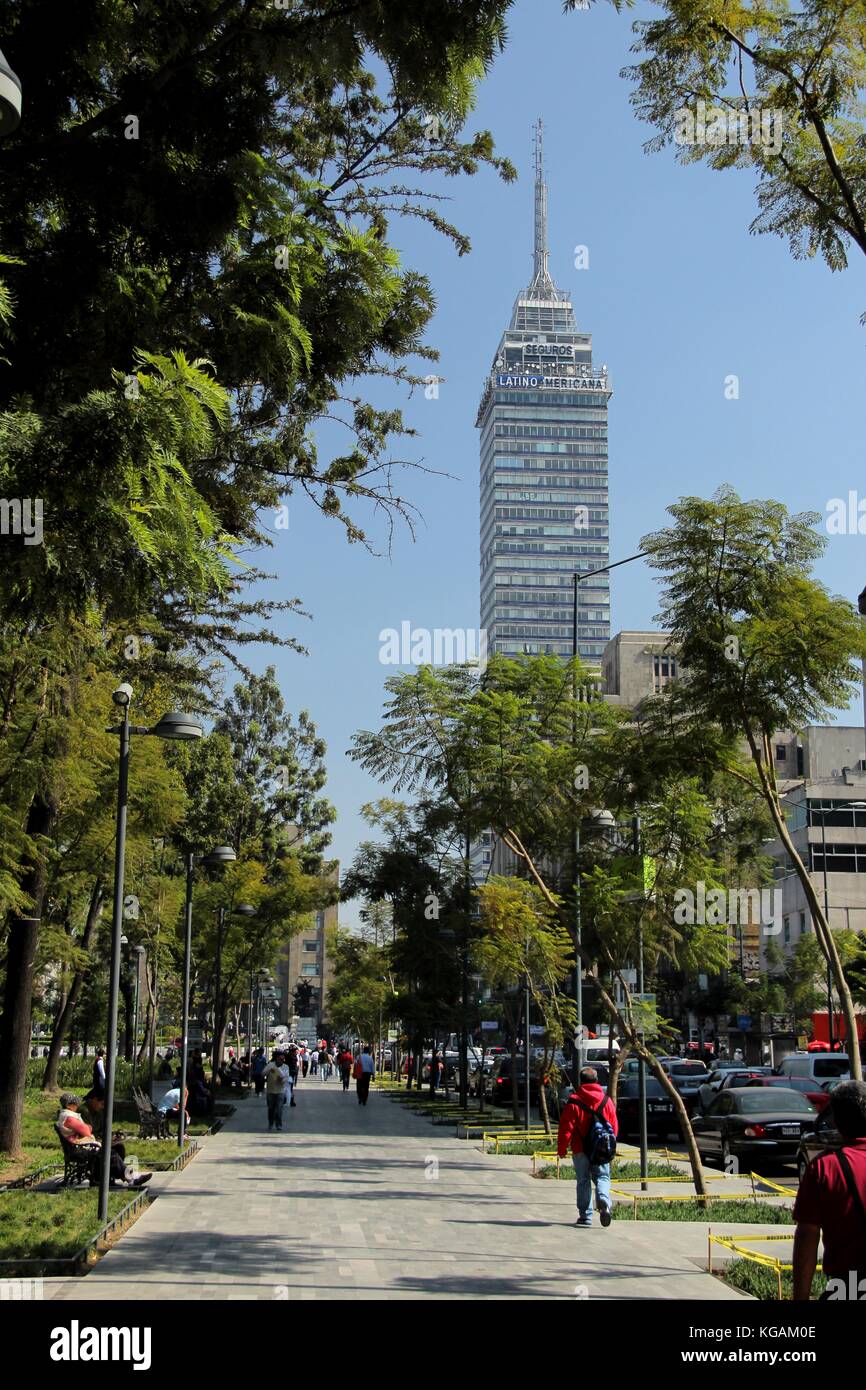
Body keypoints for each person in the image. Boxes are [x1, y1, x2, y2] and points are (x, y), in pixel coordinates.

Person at [793, 1080, 866, 1300]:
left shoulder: (825, 1168)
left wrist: (800, 1297)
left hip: (849, 1289)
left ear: (835, 1120)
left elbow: (807, 1235)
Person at [557, 1066, 618, 1228]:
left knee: (583, 1180)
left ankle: (585, 1215)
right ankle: (604, 1199)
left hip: (580, 1148)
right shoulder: (607, 1101)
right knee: (603, 1177)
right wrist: (611, 1146)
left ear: (581, 1081)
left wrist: (562, 1148)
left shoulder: (574, 1101)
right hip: (601, 1148)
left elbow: (566, 1127)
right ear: (597, 1081)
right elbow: (614, 1126)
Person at [57, 1093, 152, 1188]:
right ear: (69, 1105)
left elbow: (87, 1130)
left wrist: (87, 1128)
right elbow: (87, 1131)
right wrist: (88, 1127)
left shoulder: (68, 1115)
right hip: (80, 1150)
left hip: (81, 1147)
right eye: (75, 1102)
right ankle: (132, 1178)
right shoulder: (69, 1117)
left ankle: (112, 1178)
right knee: (110, 1154)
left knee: (118, 1148)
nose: (77, 1104)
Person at [263, 1051, 291, 1130]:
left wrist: (282, 1080)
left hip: (280, 1091)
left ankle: (278, 1124)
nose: (281, 1061)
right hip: (271, 1090)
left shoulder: (286, 1067)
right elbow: (263, 1074)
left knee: (279, 1109)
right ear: (276, 1059)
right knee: (271, 1109)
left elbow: (287, 1077)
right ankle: (271, 1123)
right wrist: (268, 1071)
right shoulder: (270, 1065)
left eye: (283, 1059)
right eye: (280, 1059)